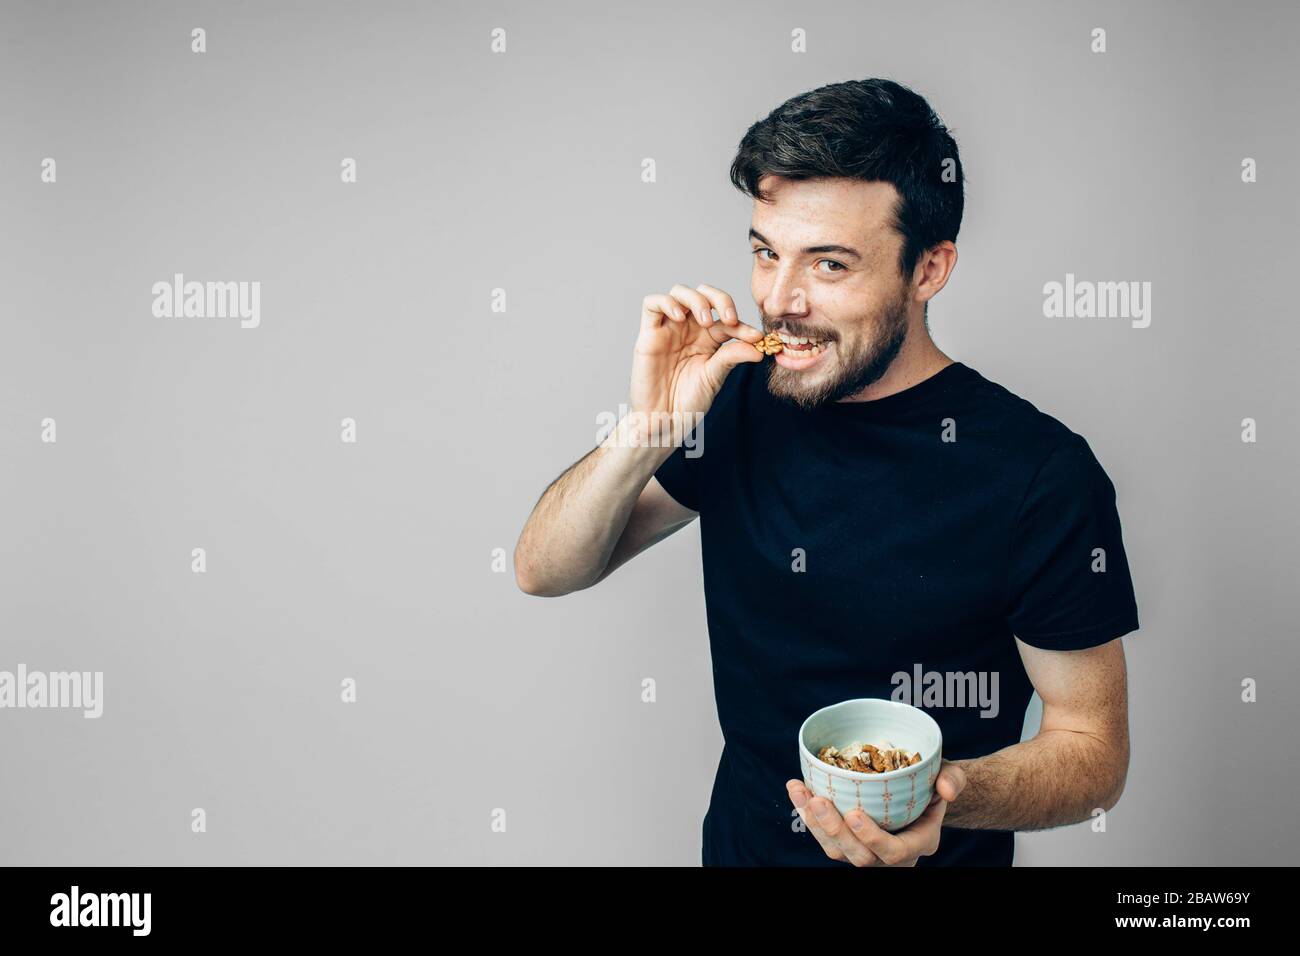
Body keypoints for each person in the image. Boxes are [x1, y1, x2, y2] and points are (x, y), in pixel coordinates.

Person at [514, 78, 1139, 866]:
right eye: (766, 252)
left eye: (830, 264)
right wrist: (650, 428)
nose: (780, 299)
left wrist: (941, 795)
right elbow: (545, 569)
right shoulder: (736, 400)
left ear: (929, 268)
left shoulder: (1041, 473)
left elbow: (1092, 753)